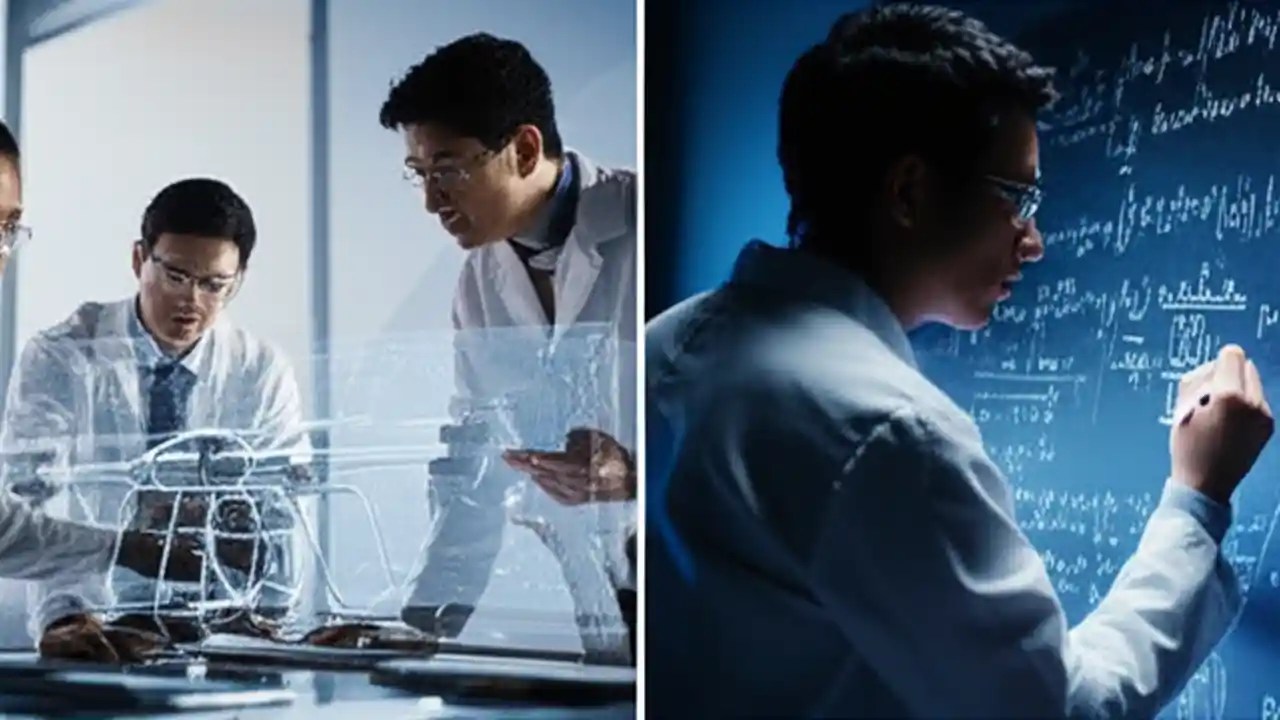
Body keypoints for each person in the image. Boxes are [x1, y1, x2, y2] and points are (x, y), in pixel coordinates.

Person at [645, 5, 1273, 717]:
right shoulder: (887, 431)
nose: (1033, 241)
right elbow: (1061, 712)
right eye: (1017, 198)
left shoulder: (666, 344)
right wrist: (1197, 500)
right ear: (909, 192)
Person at [368, 33, 636, 661]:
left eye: (448, 171)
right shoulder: (478, 284)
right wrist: (424, 627)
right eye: (420, 175)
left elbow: (725, 426)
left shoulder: (646, 221)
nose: (431, 201)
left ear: (524, 149)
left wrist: (635, 475)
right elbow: (478, 467)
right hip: (598, 601)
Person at [0, 177, 311, 663]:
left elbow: (283, 510)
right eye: (176, 276)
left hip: (216, 624)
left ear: (238, 281)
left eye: (214, 285)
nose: (191, 300)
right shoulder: (64, 355)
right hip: (92, 615)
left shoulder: (259, 370)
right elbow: (34, 497)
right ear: (138, 259)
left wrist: (265, 614)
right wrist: (64, 614)